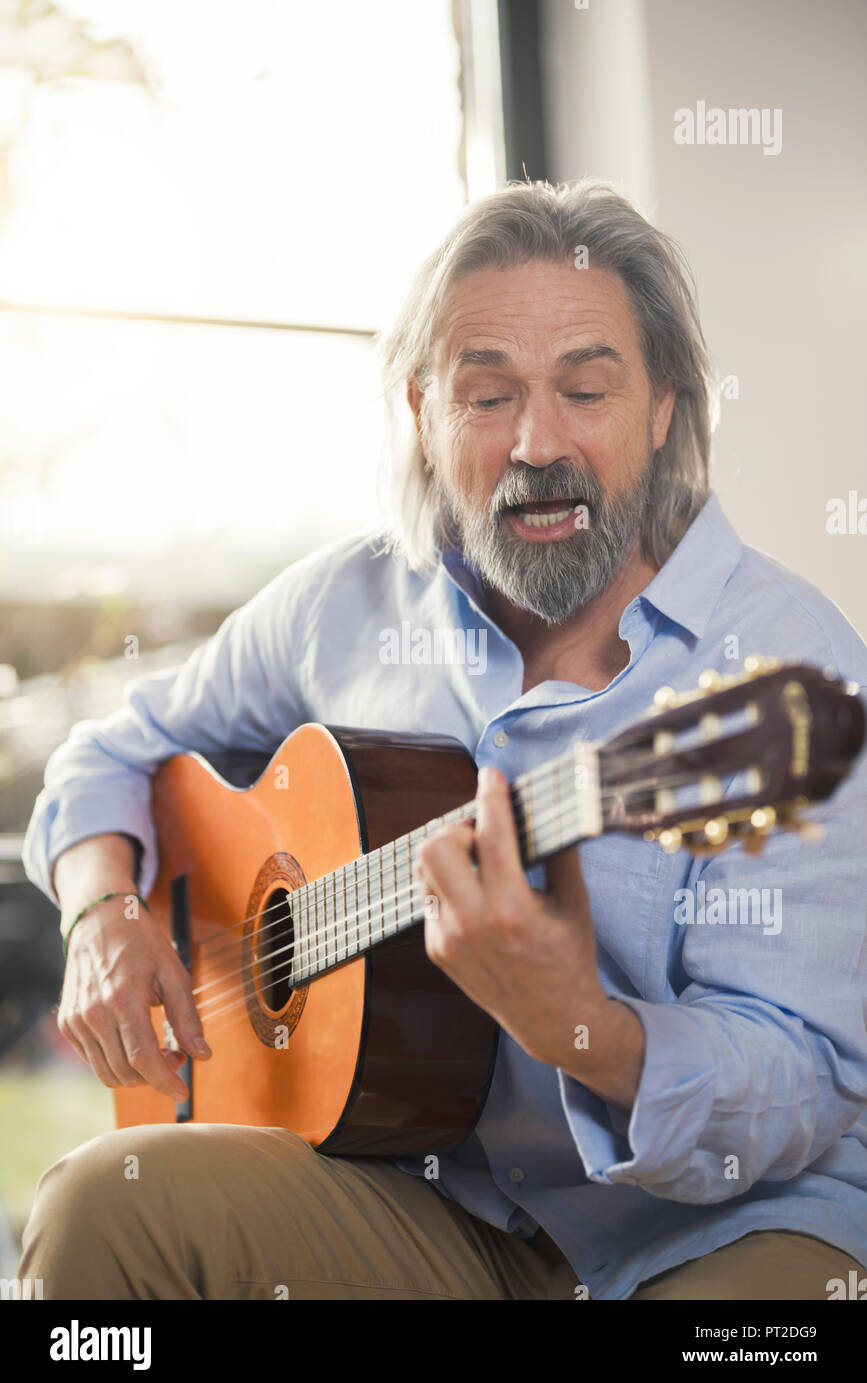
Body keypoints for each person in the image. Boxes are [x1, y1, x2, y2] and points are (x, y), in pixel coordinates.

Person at [18, 179, 867, 1300]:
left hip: (718, 1227)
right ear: (423, 412)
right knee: (102, 1205)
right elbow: (109, 754)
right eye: (487, 394)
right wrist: (105, 913)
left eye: (586, 388)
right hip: (429, 1203)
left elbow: (809, 1083)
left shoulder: (783, 669)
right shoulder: (346, 604)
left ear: (663, 406)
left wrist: (581, 1025)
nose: (537, 443)